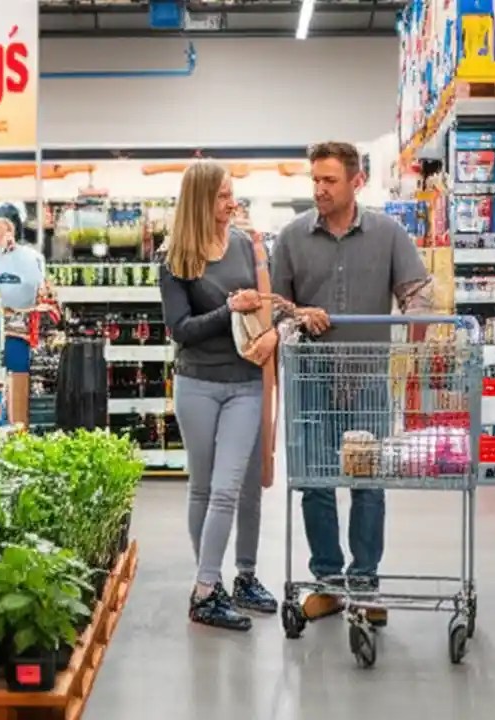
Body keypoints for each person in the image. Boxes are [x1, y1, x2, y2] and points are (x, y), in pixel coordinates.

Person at [271, 141, 434, 625]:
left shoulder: (388, 233)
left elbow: (418, 294)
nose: (320, 189)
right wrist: (298, 314)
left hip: (367, 378)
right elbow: (274, 308)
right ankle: (327, 582)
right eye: (315, 180)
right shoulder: (291, 238)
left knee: (369, 484)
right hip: (312, 379)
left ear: (356, 181)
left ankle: (364, 584)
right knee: (316, 484)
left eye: (330, 181)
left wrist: (413, 353)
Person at [159, 161, 279, 631]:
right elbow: (181, 330)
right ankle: (209, 585)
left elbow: (271, 302)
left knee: (234, 486)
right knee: (204, 488)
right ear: (201, 201)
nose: (233, 202)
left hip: (245, 382)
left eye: (233, 194)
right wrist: (228, 309)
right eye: (223, 196)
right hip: (196, 383)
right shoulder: (175, 260)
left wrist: (273, 326)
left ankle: (219, 585)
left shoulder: (248, 246)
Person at [0, 202, 48, 426]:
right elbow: (41, 293)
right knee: (17, 389)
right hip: (21, 335)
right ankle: (16, 431)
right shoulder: (33, 257)